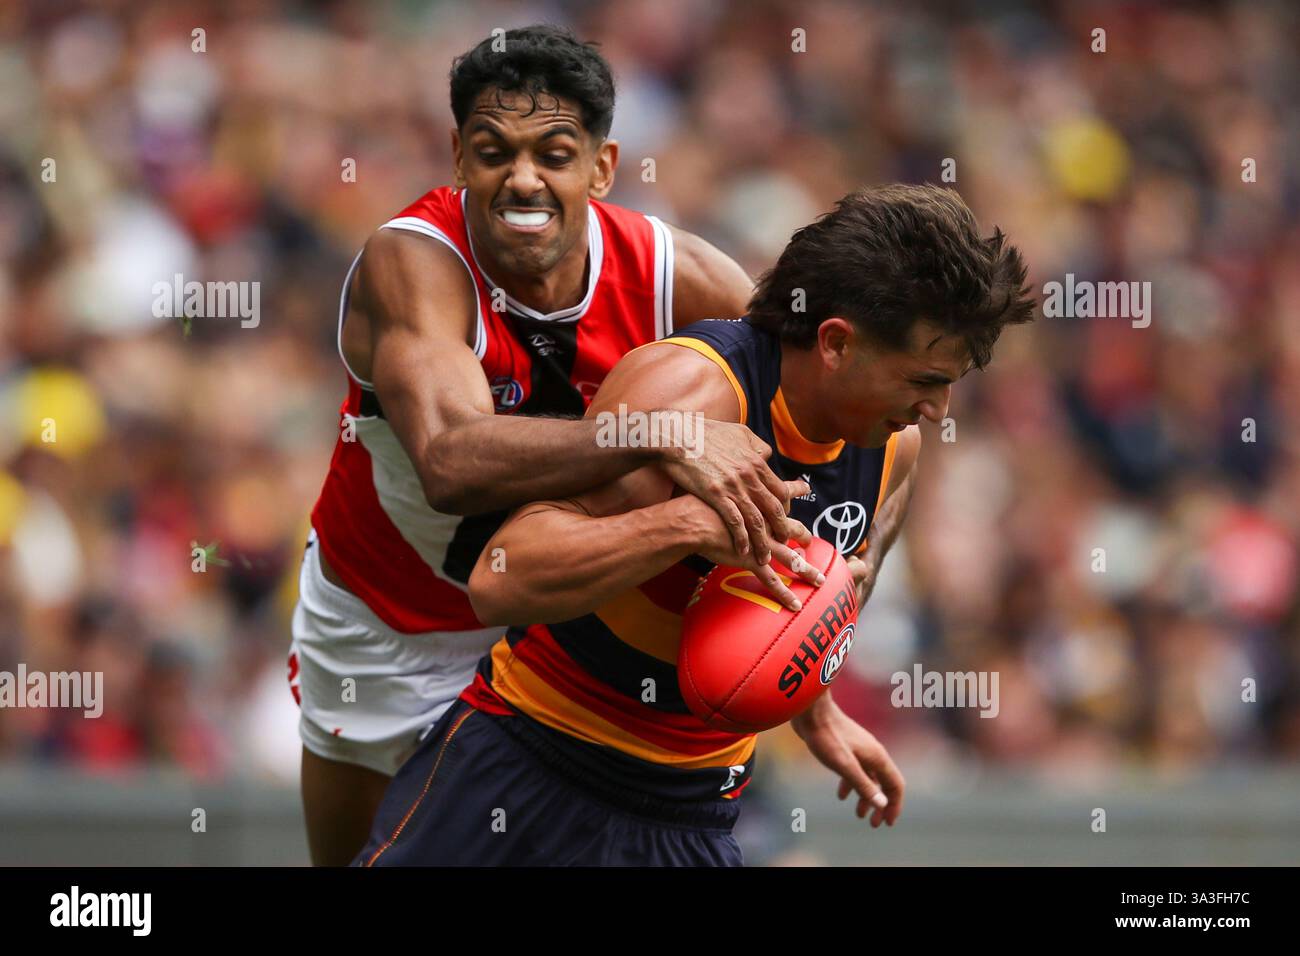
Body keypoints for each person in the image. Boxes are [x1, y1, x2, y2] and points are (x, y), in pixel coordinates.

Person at [354, 183, 1037, 866]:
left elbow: (811, 597)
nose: (938, 410)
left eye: (948, 384)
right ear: (835, 343)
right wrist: (680, 525)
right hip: (527, 766)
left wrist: (817, 712)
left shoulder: (895, 447)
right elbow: (500, 580)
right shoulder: (689, 394)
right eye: (924, 380)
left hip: (693, 814)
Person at [293, 24, 846, 866]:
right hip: (391, 625)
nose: (522, 178)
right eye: (493, 150)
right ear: (456, 156)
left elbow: (817, 411)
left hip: (559, 617)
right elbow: (448, 462)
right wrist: (660, 433)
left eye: (554, 152)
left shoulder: (683, 275)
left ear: (602, 166)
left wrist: (814, 682)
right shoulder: (409, 264)